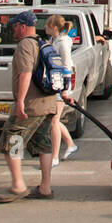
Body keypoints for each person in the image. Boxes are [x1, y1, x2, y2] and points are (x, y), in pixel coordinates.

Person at [0, 11, 65, 201]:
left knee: (12, 139)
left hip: (32, 105)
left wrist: (20, 101)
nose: (13, 29)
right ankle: (45, 187)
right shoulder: (44, 43)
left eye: (15, 26)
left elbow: (25, 73)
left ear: (22, 26)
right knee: (43, 145)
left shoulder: (25, 45)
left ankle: (18, 186)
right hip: (48, 102)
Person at [45, 14, 79, 167]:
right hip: (55, 82)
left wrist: (64, 89)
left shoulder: (63, 42)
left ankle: (54, 157)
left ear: (54, 27)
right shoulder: (55, 40)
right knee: (54, 120)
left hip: (60, 83)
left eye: (47, 26)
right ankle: (70, 145)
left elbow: (66, 66)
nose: (44, 28)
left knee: (54, 120)